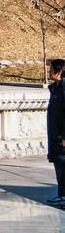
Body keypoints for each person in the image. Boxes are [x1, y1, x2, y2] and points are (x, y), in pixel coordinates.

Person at [47, 59, 65, 206]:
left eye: (51, 69)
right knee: (59, 165)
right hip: (56, 135)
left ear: (58, 73)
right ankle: (62, 194)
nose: (49, 72)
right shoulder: (57, 88)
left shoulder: (63, 90)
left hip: (61, 137)